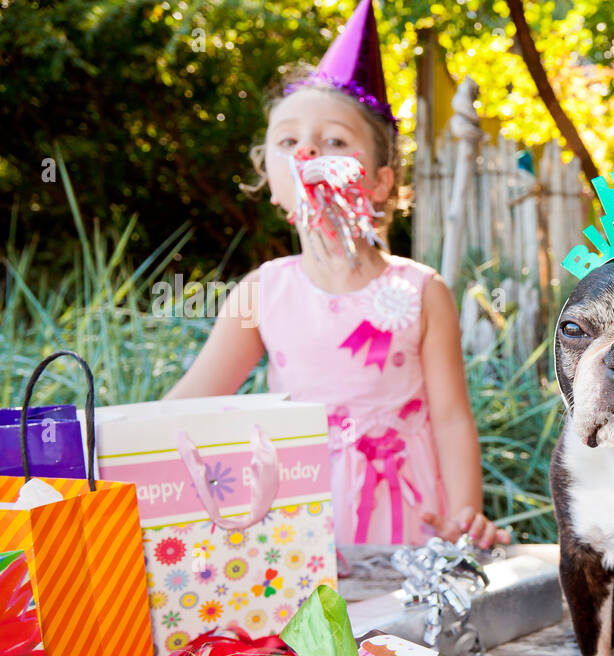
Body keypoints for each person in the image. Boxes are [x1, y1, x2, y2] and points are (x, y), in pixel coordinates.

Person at [167, 0, 509, 549]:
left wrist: (466, 517)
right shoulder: (263, 292)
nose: (307, 151)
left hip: (410, 517)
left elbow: (450, 419)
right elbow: (192, 401)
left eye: (334, 141)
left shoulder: (422, 291)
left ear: (378, 181)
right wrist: (104, 444)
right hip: (300, 519)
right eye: (288, 142)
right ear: (271, 178)